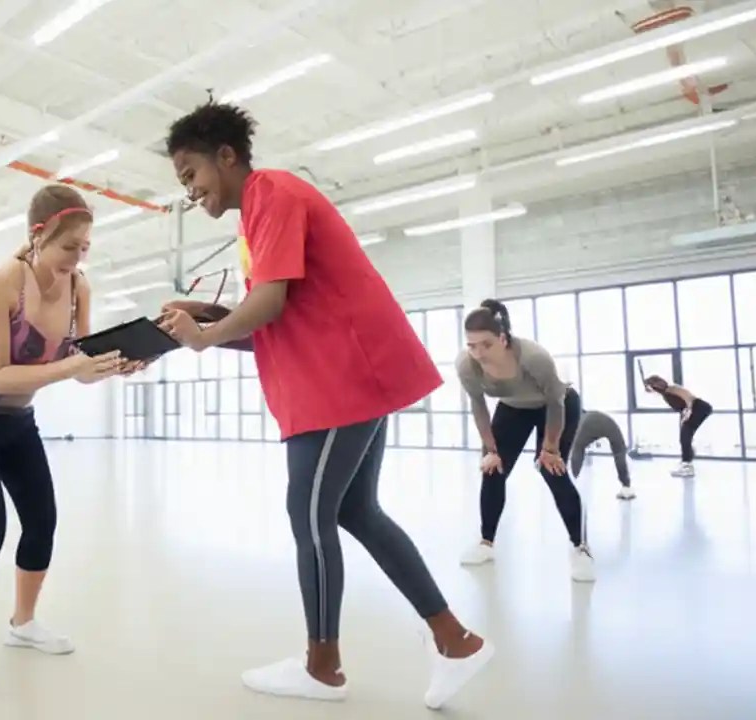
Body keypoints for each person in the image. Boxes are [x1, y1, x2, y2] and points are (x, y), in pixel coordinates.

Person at [156, 101, 492, 711]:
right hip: (334, 379)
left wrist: (205, 334)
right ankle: (456, 641)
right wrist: (201, 322)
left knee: (308, 516)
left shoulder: (273, 193)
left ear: (226, 156)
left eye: (189, 174)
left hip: (341, 381)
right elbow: (267, 319)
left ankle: (322, 666)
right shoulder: (254, 219)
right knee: (357, 511)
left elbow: (273, 303)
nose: (189, 190)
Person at [0, 184, 130, 693]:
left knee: (42, 522)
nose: (78, 257)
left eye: (86, 247)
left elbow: (81, 370)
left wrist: (113, 365)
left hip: (17, 424)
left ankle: (23, 623)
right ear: (38, 235)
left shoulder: (79, 287)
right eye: (70, 246)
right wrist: (71, 365)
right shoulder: (1, 281)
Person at [457, 299, 595, 582]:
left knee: (552, 470)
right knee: (493, 469)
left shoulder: (533, 357)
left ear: (503, 338)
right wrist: (490, 450)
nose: (478, 353)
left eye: (486, 344)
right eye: (471, 345)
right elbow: (478, 406)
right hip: (513, 408)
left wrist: (550, 449)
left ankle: (580, 548)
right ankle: (486, 543)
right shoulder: (467, 365)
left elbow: (556, 402)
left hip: (556, 404)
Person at [643, 375, 711, 477]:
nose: (654, 388)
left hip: (699, 407)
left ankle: (687, 465)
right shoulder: (665, 394)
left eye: (654, 385)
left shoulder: (672, 388)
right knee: (685, 436)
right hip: (695, 409)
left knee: (685, 436)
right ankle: (687, 460)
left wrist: (689, 411)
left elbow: (688, 397)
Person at [570, 409, 635, 500]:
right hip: (609, 423)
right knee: (619, 451)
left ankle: (573, 483)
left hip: (588, 424)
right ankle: (626, 487)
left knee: (578, 448)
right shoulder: (591, 415)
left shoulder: (581, 420)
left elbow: (577, 448)